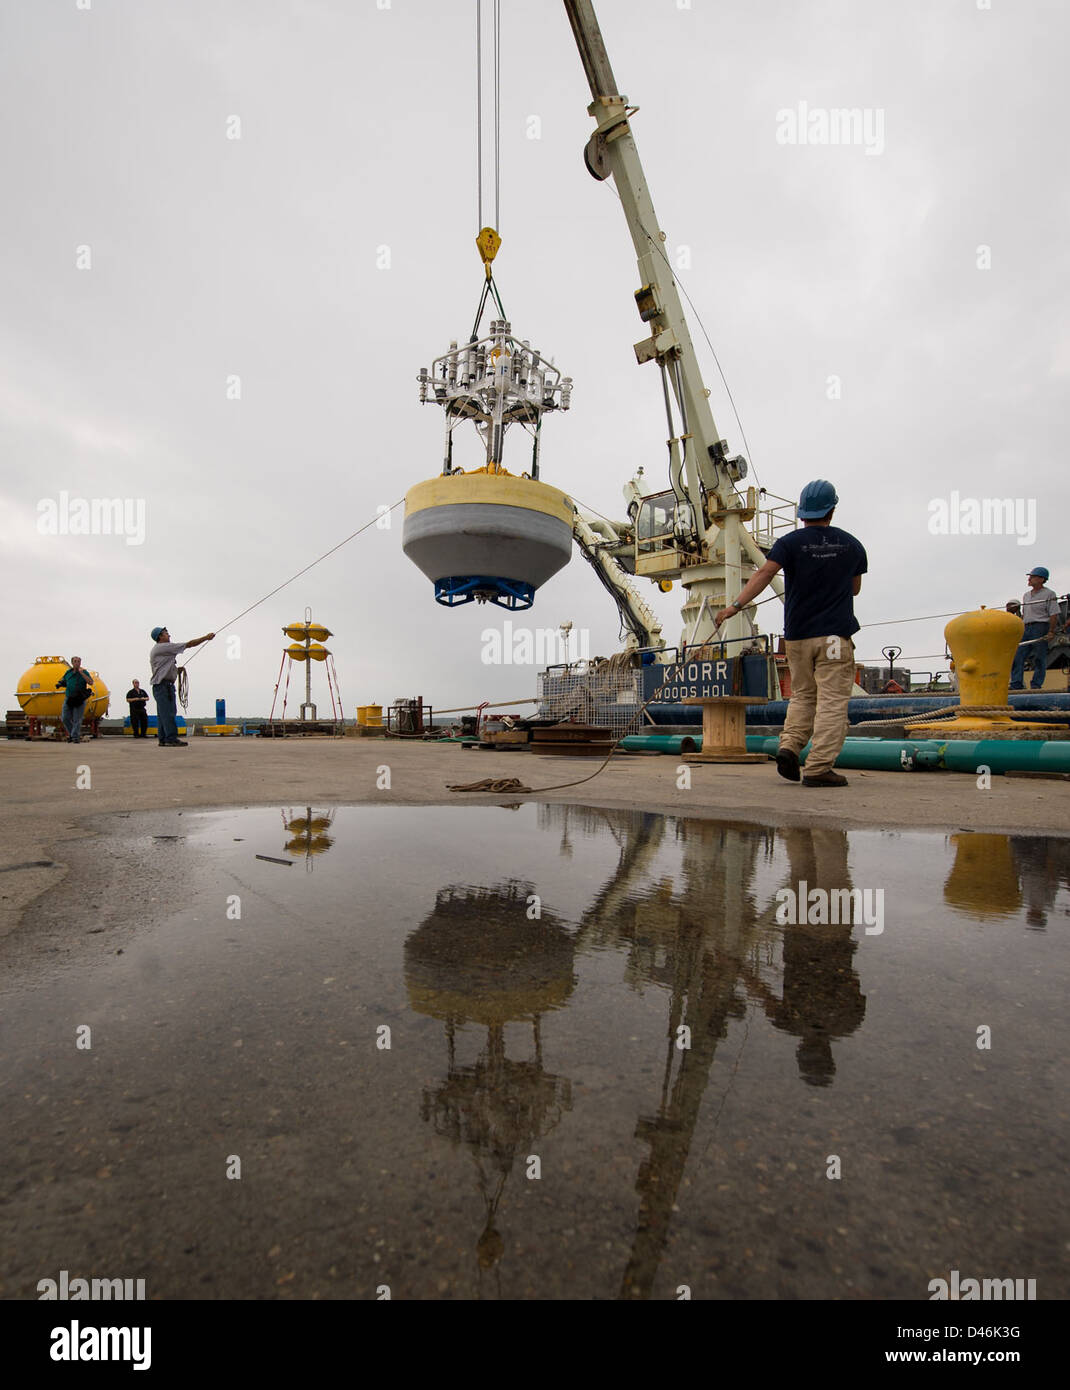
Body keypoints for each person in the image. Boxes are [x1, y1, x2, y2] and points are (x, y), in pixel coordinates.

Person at [715, 478, 866, 788]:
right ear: (832, 511)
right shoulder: (852, 545)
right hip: (835, 638)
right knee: (832, 703)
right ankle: (818, 767)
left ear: (801, 512)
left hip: (797, 637)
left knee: (802, 696)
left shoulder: (790, 543)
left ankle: (789, 746)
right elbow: (855, 589)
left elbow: (764, 573)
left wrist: (734, 607)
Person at [149, 625, 214, 746]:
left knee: (163, 714)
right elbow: (189, 644)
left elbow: (164, 668)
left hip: (161, 685)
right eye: (166, 633)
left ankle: (163, 739)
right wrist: (206, 637)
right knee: (169, 713)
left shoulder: (160, 650)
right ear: (160, 637)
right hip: (163, 686)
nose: (169, 635)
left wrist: (176, 670)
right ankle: (171, 739)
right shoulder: (164, 647)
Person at [1009, 566, 1060, 691]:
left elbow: (1054, 614)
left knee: (1039, 657)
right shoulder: (1026, 595)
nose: (1029, 579)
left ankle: (1036, 684)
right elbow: (1026, 614)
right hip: (1027, 627)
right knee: (1018, 656)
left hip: (1040, 626)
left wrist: (1051, 631)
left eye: (1032, 577)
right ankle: (1016, 684)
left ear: (1041, 579)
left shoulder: (1049, 594)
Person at [54, 656, 94, 744]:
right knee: (65, 718)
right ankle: (73, 734)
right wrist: (59, 684)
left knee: (77, 719)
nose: (77, 663)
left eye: (79, 661)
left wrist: (82, 673)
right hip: (69, 697)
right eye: (75, 661)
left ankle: (74, 737)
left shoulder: (84, 672)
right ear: (72, 663)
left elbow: (91, 682)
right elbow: (64, 681)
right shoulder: (68, 672)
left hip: (80, 698)